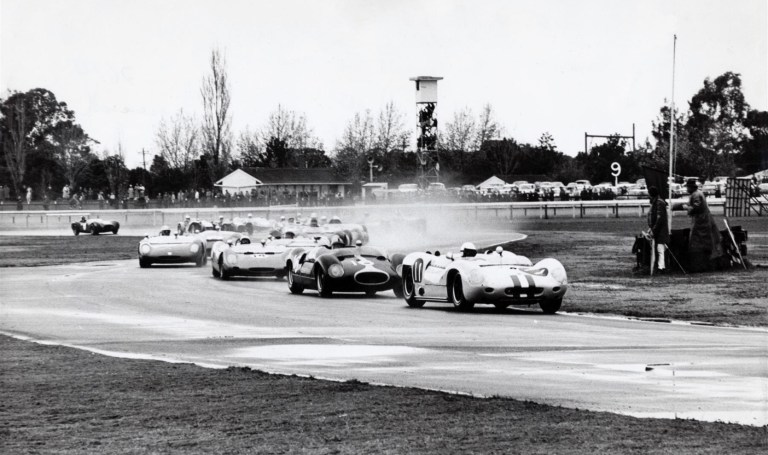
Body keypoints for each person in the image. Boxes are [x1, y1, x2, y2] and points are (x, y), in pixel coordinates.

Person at [678, 179, 722, 272]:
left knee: (698, 243)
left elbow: (696, 207)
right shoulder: (697, 193)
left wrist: (684, 207)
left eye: (687, 187)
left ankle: (700, 265)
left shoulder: (696, 195)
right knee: (705, 242)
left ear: (690, 187)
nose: (686, 189)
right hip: (702, 220)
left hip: (702, 222)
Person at [647, 186, 669, 274]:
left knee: (660, 249)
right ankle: (661, 266)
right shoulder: (657, 202)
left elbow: (659, 219)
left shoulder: (659, 203)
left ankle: (661, 267)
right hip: (658, 229)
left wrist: (653, 229)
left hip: (660, 230)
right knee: (660, 248)